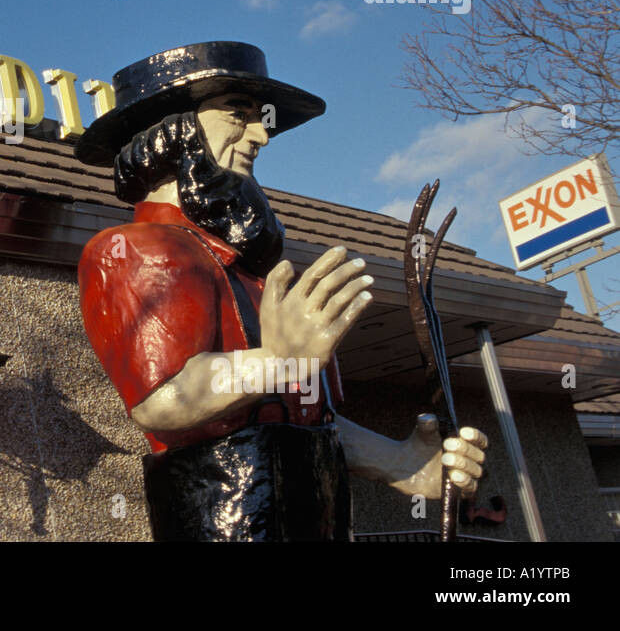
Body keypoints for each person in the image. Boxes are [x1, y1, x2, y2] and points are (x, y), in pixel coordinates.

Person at [74, 41, 487, 541]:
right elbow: (163, 398)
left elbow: (309, 418)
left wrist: (401, 464)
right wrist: (277, 362)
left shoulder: (259, 274)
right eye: (238, 114)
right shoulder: (135, 249)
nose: (261, 135)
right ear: (173, 129)